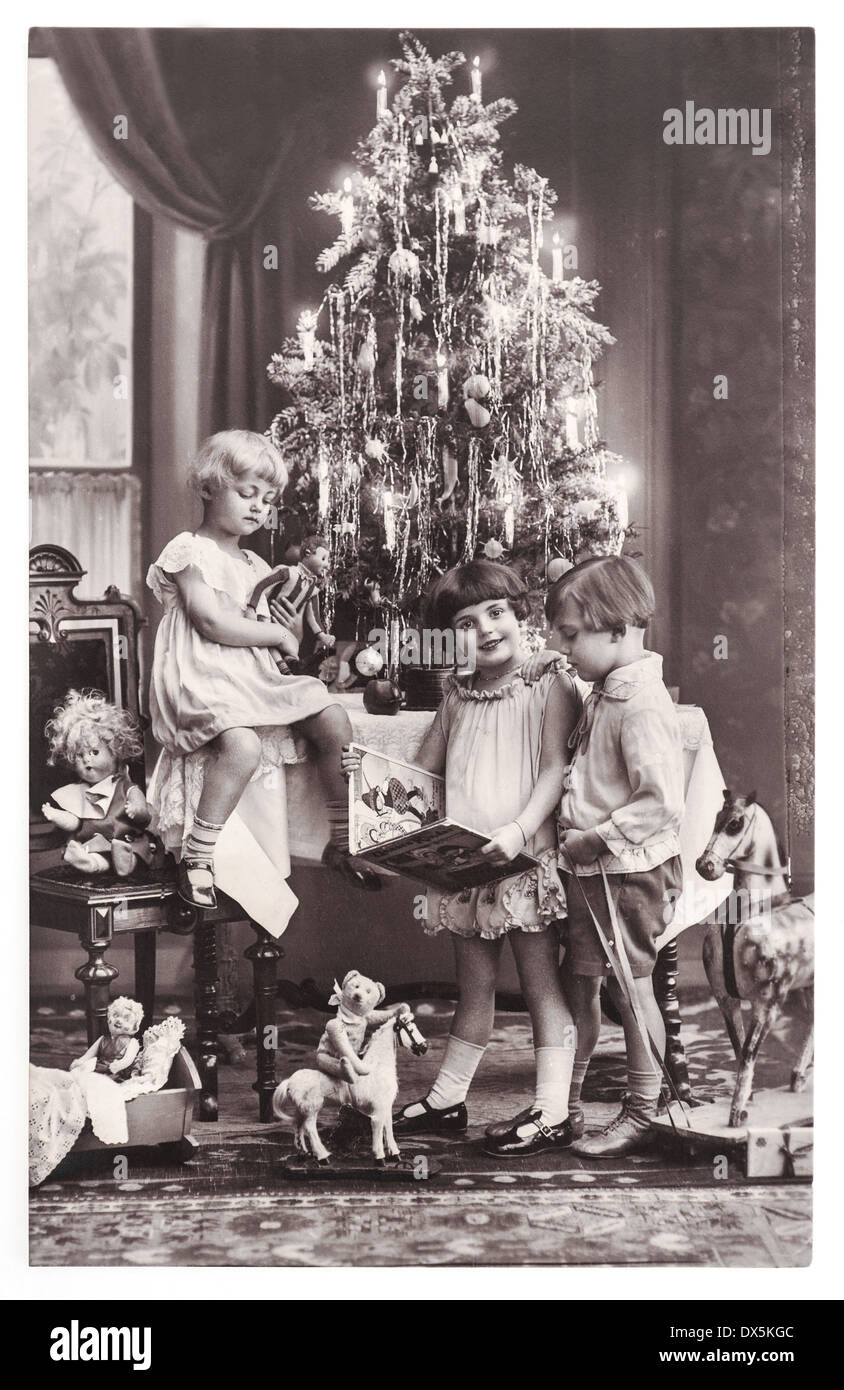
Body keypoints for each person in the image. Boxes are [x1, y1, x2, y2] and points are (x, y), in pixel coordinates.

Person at [343, 559, 582, 1157]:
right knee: (472, 987)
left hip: (524, 860)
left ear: (520, 612)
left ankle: (552, 1109)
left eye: (497, 612)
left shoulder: (547, 682)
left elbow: (555, 768)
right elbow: (423, 773)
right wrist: (369, 772)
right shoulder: (457, 693)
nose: (487, 629)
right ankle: (449, 1099)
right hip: (466, 867)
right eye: (468, 622)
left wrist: (521, 830)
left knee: (539, 987)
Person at [146, 429, 379, 908]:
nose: (258, 508)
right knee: (242, 744)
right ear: (209, 487)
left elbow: (268, 629)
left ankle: (344, 837)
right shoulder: (188, 550)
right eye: (247, 493)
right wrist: (273, 633)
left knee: (331, 716)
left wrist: (286, 629)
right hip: (203, 676)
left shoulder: (255, 561)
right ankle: (199, 855)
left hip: (252, 676)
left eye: (268, 499)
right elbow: (211, 621)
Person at [548, 556, 685, 1156]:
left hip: (626, 872)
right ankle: (563, 1105)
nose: (560, 646)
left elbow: (662, 802)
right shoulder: (607, 687)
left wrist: (597, 837)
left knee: (632, 989)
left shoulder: (642, 704)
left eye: (571, 635)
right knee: (579, 983)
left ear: (618, 629)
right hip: (589, 869)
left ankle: (642, 1110)